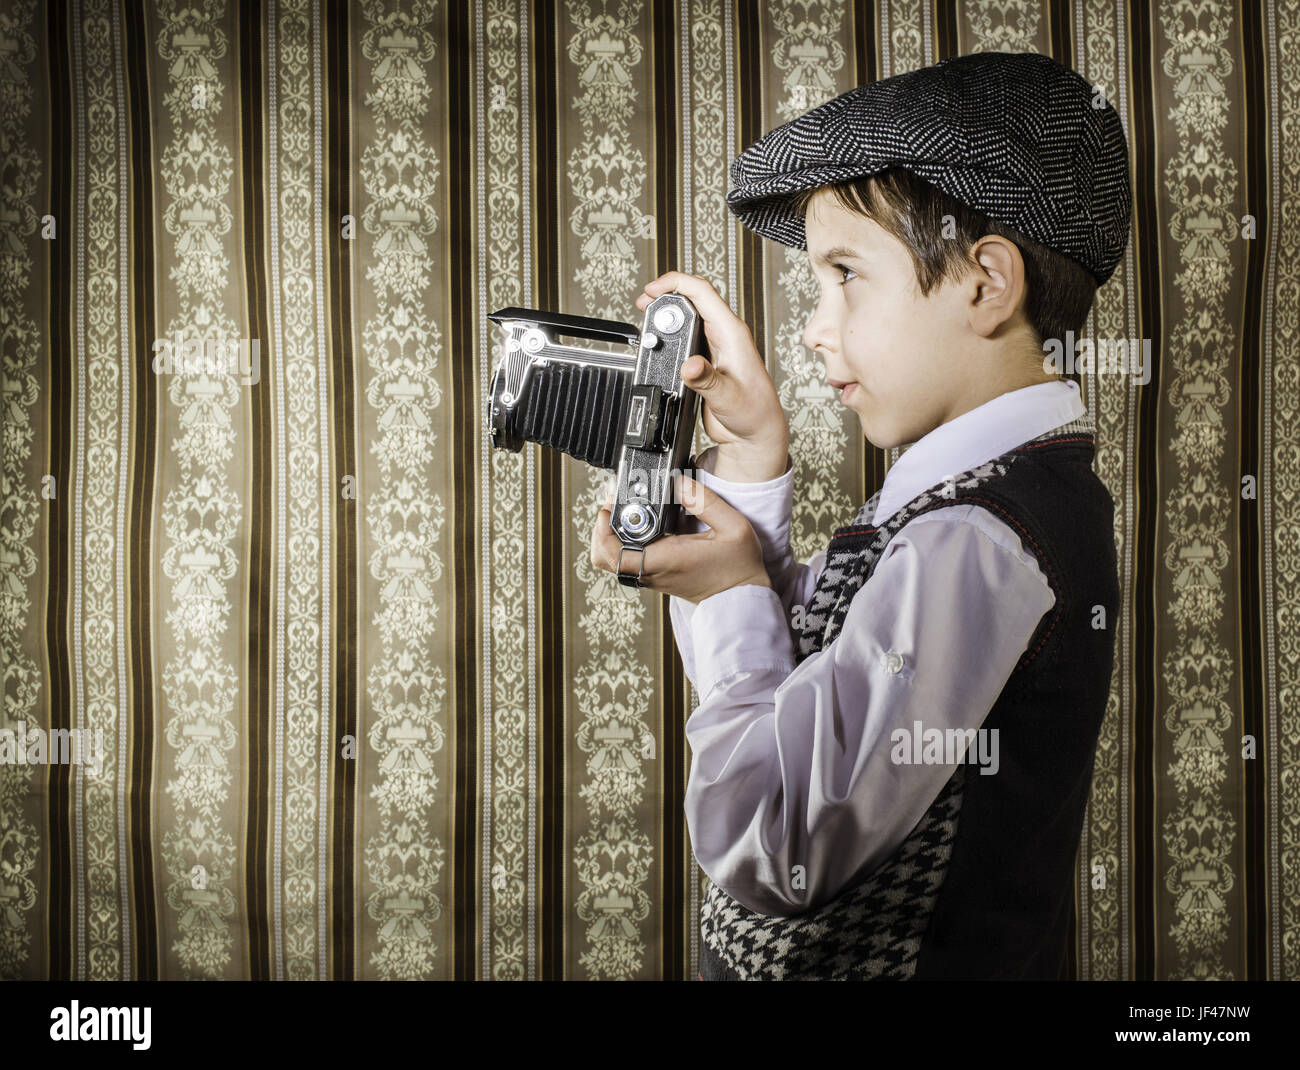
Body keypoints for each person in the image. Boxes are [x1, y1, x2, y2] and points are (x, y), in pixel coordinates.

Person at [589, 50, 1132, 980]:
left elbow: (779, 838)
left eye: (845, 273)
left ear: (985, 284)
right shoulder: (961, 496)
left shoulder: (979, 539)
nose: (813, 324)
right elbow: (829, 682)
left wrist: (728, 599)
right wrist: (755, 457)